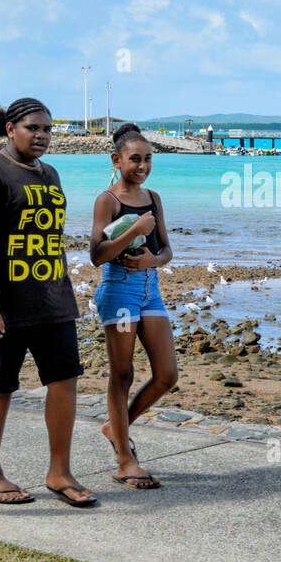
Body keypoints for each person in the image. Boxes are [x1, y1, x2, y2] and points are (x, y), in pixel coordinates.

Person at [0, 97, 96, 507]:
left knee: (64, 381)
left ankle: (59, 472)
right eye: (33, 128)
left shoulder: (49, 173)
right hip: (4, 304)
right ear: (10, 129)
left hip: (52, 298)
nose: (41, 136)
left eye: (47, 129)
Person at [89, 123, 178, 489]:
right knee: (122, 375)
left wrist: (151, 262)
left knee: (167, 374)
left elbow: (167, 250)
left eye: (147, 159)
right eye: (135, 159)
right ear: (117, 159)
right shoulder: (107, 201)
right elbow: (96, 255)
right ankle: (125, 461)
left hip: (149, 290)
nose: (142, 166)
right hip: (120, 293)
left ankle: (116, 427)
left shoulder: (154, 198)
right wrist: (133, 231)